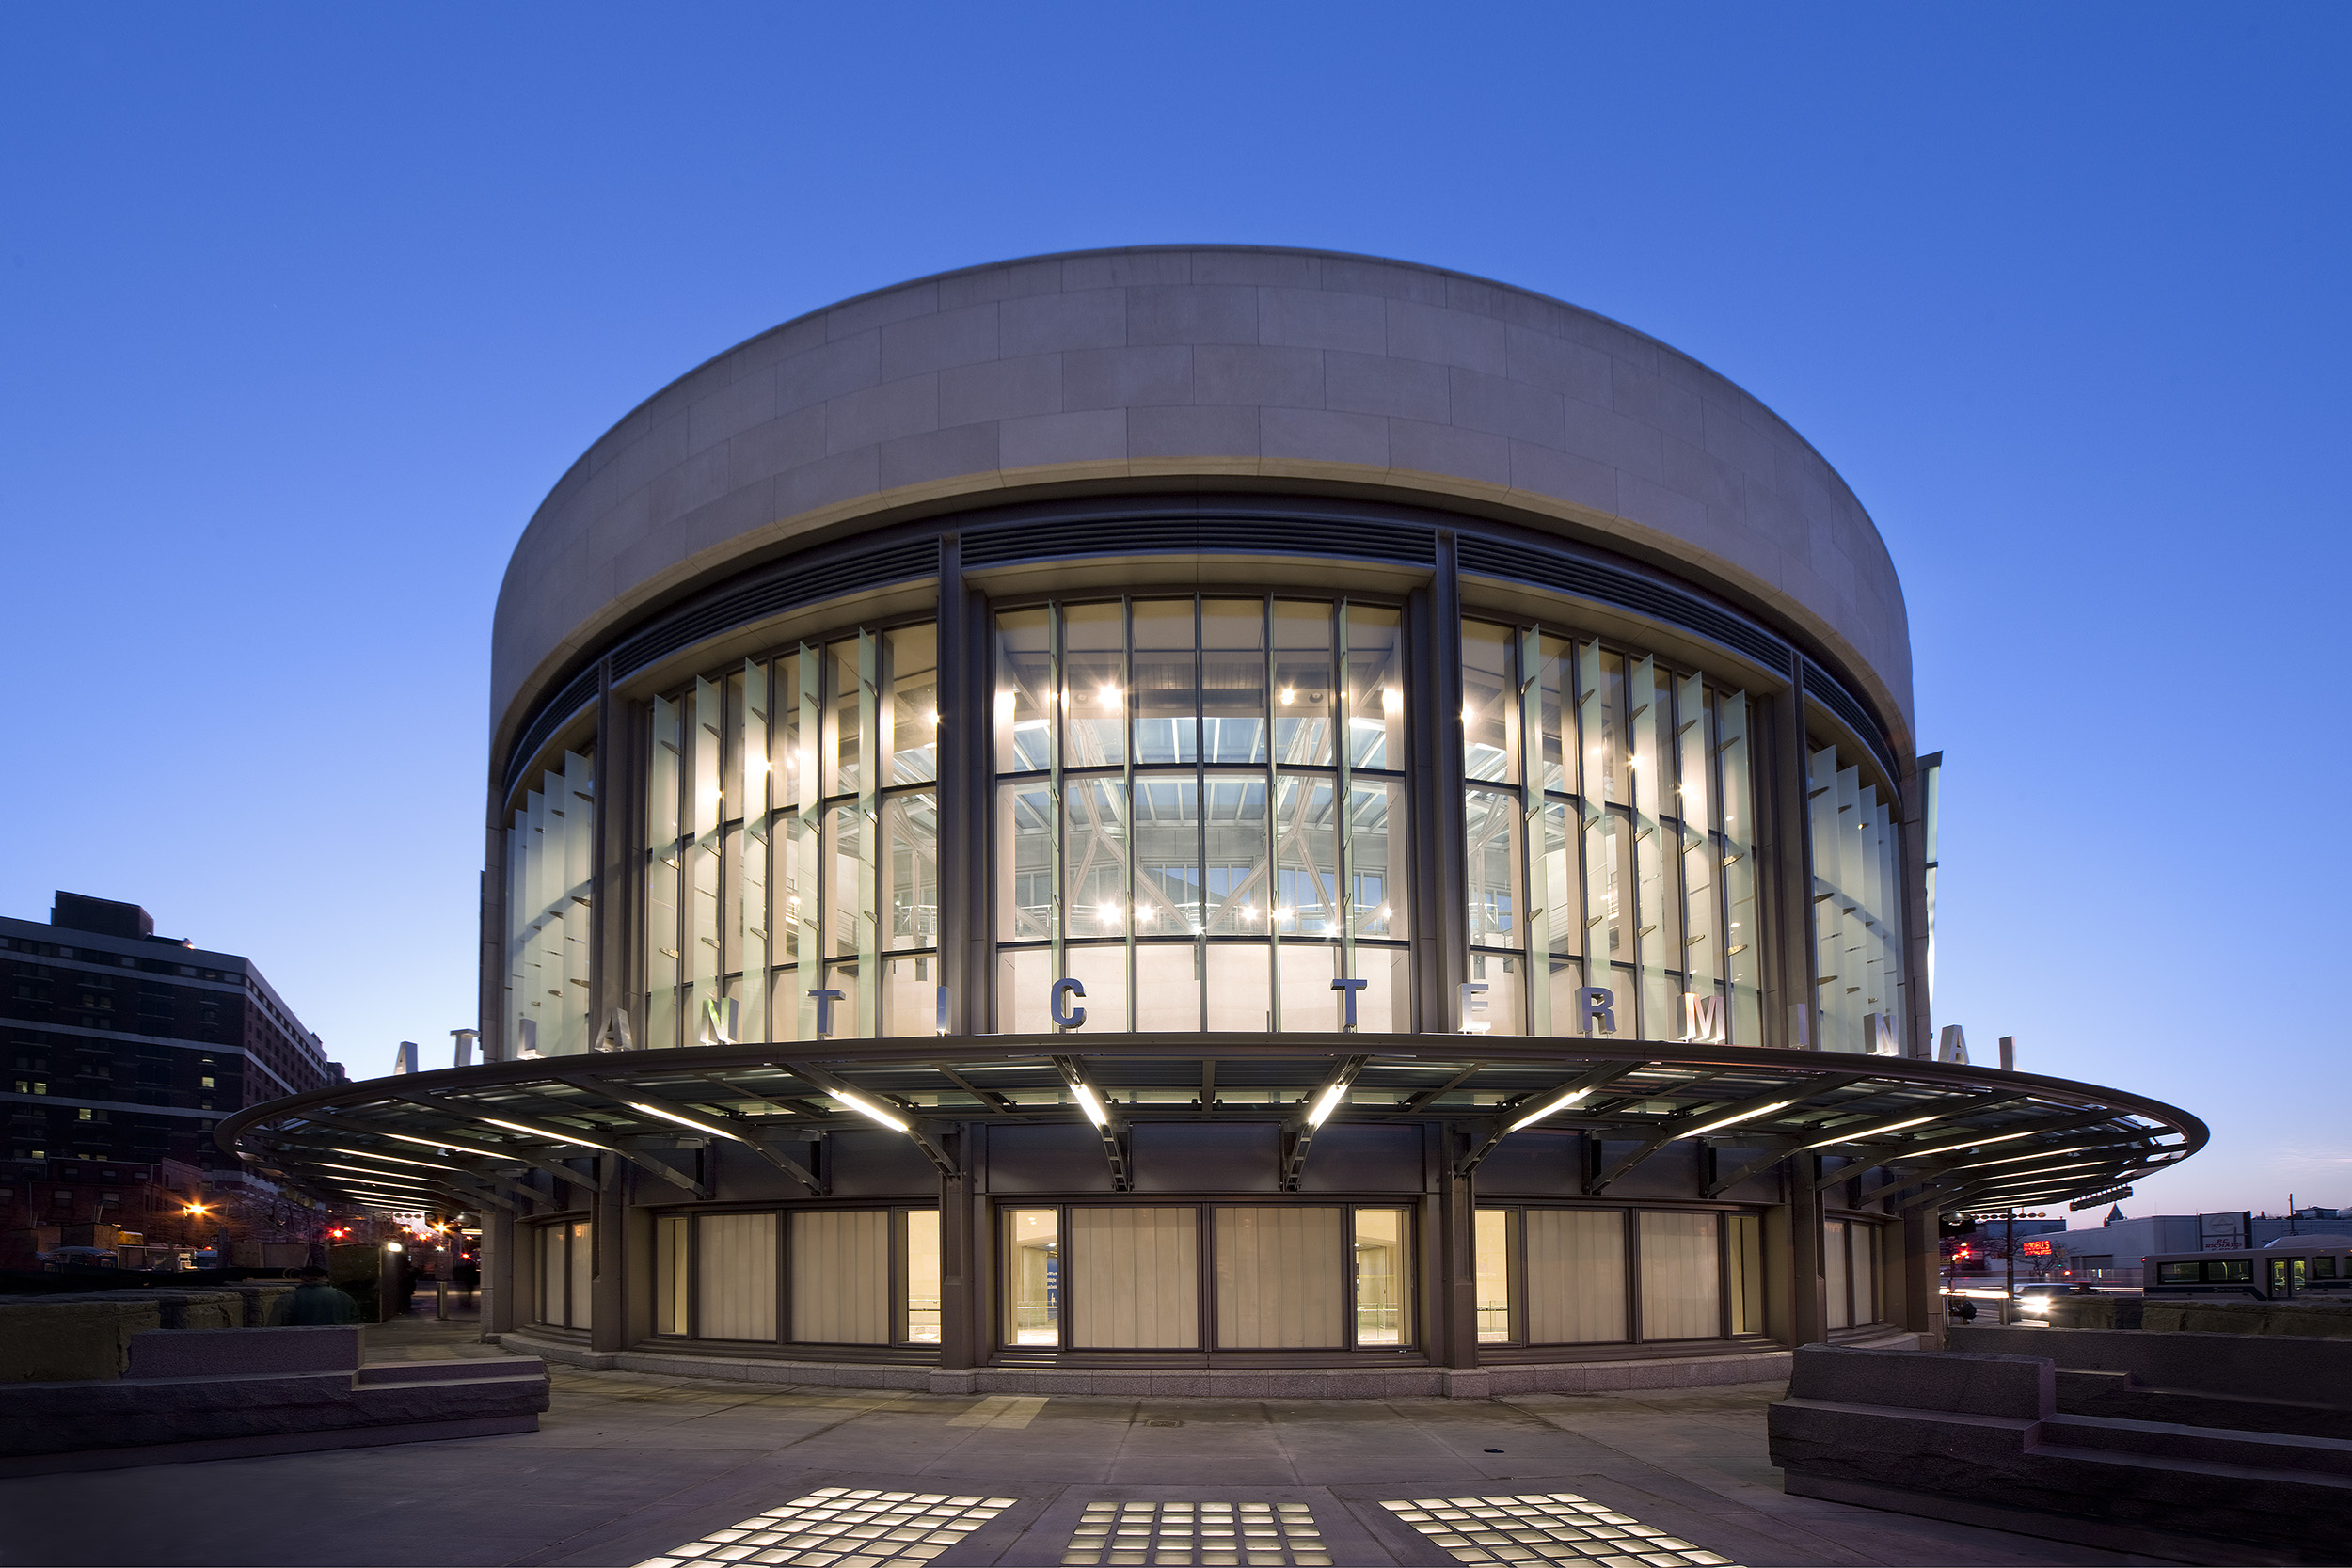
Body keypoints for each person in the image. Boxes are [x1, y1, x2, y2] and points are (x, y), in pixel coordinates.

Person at [270, 1265, 360, 1325]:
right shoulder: (344, 1297)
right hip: (338, 1342)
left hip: (302, 1343)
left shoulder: (289, 1299)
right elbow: (354, 1322)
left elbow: (275, 1325)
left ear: (302, 1277)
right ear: (325, 1278)